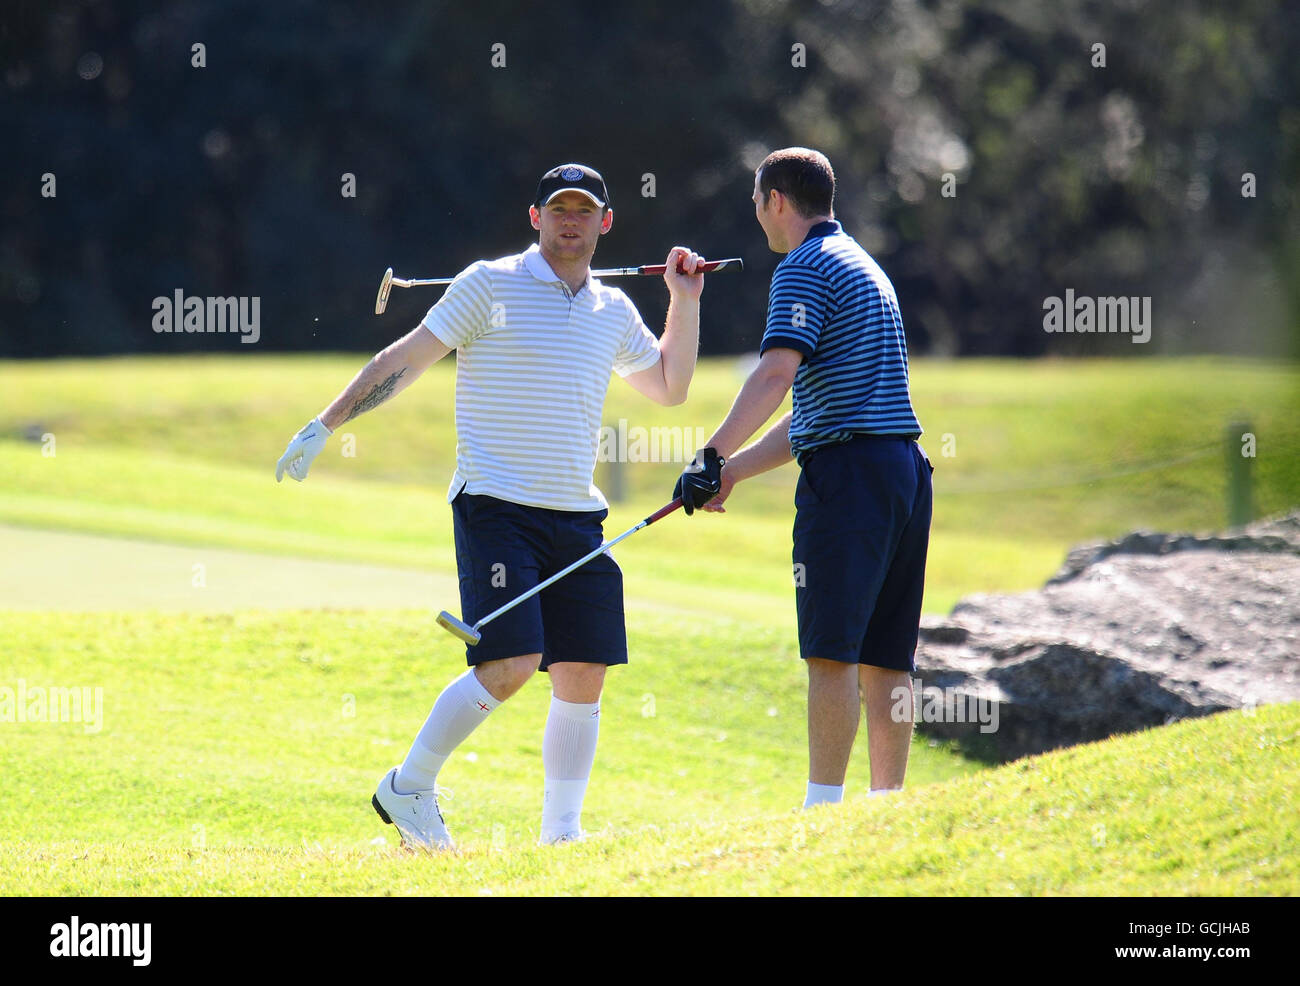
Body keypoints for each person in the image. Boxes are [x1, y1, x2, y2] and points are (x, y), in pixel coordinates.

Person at [277, 163, 706, 850]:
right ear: (535, 218)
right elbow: (408, 358)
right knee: (509, 664)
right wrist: (326, 423)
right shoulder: (488, 284)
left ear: (606, 222)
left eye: (584, 210)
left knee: (584, 673)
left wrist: (684, 302)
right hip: (495, 506)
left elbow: (668, 386)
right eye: (557, 209)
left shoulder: (613, 310)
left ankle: (561, 834)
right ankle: (409, 786)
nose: (571, 220)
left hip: (577, 515)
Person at [674, 147, 932, 808]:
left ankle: (823, 813)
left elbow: (774, 376)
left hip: (850, 480)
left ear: (775, 201)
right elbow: (816, 412)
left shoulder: (803, 268)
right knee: (886, 656)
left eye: (756, 202)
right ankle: (886, 806)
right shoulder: (863, 266)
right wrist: (731, 471)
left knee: (831, 653)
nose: (757, 214)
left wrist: (705, 456)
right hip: (902, 471)